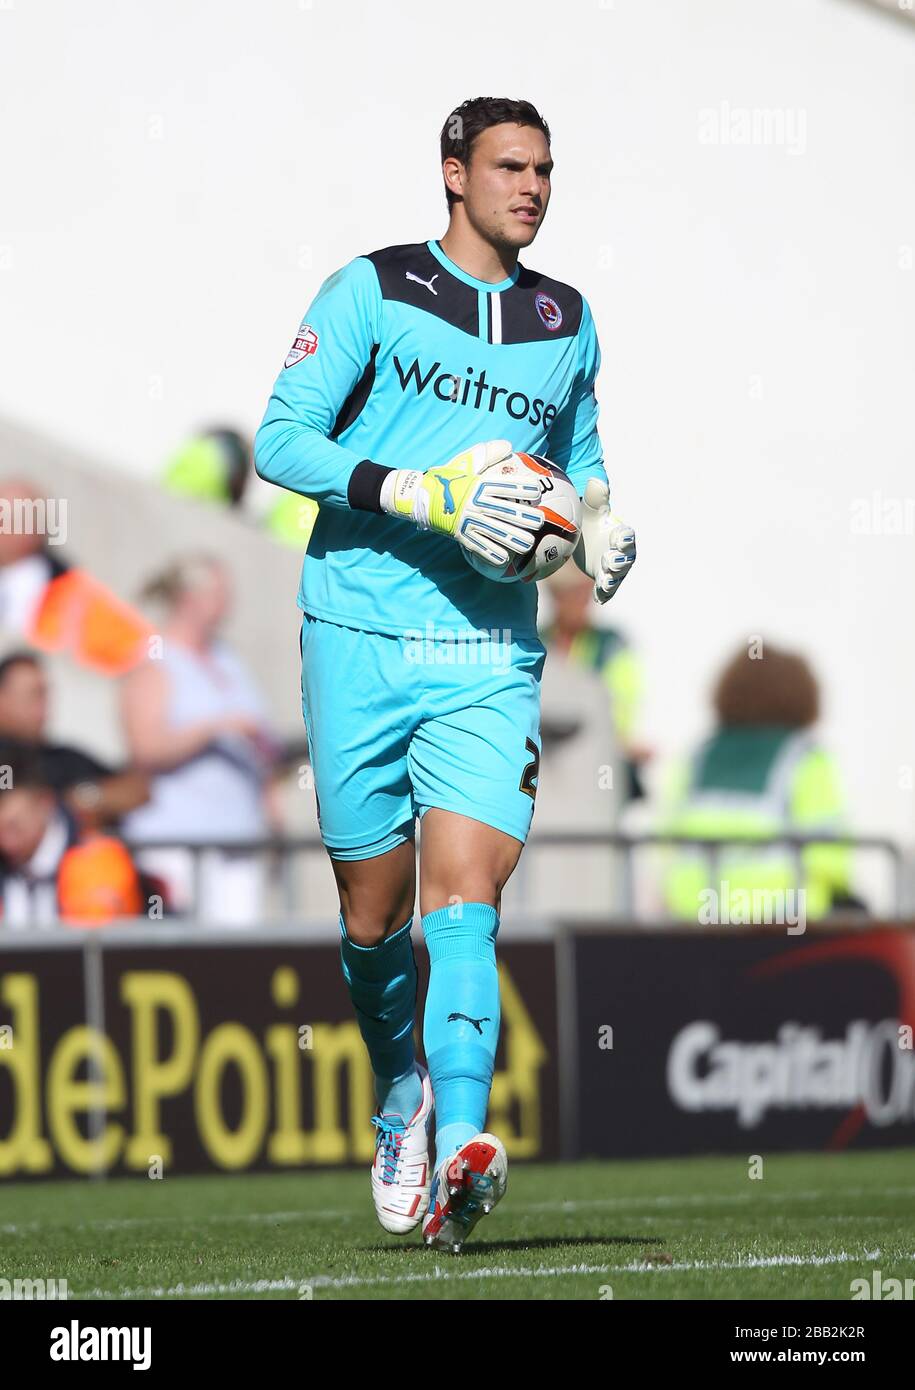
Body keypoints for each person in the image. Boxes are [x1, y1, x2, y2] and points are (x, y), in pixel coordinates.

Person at [254, 96, 637, 1250]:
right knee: (374, 921)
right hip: (358, 631)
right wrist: (415, 491)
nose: (532, 186)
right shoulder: (372, 288)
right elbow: (282, 439)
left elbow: (578, 460)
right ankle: (402, 1095)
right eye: (510, 166)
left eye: (546, 169)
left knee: (464, 904)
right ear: (453, 173)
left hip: (484, 650)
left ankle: (466, 1147)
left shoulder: (567, 315)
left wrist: (604, 522)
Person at [119, 555, 283, 923]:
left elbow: (259, 741)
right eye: (218, 592)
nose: (228, 601)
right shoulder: (155, 659)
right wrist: (213, 728)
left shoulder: (228, 658)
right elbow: (144, 747)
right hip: (176, 844)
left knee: (240, 954)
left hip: (238, 842)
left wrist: (270, 800)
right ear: (189, 597)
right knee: (189, 952)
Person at [660, 642, 857, 922]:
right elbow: (831, 861)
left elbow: (666, 844)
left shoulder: (697, 756)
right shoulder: (807, 759)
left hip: (695, 922)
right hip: (784, 929)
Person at [0, 651, 149, 827]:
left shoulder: (63, 758)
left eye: (46, 694)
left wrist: (85, 797)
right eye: (35, 694)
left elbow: (136, 789)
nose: (45, 704)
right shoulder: (6, 763)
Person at [0, 745, 144, 927]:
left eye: (14, 827)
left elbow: (102, 942)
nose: (5, 842)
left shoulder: (97, 860)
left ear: (44, 803)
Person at [544, 562, 650, 802]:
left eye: (584, 593)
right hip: (546, 768)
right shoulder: (537, 640)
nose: (579, 601)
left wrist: (621, 740)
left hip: (599, 761)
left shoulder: (613, 644)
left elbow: (625, 703)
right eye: (569, 593)